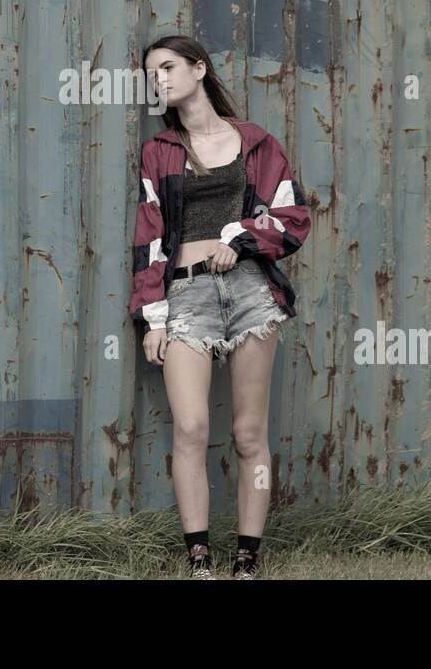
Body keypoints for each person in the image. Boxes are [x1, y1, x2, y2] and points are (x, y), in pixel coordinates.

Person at [129, 34, 311, 579]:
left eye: (166, 67)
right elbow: (149, 237)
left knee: (249, 433)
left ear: (199, 69)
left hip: (253, 293)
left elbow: (293, 217)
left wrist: (243, 239)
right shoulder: (160, 151)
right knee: (189, 427)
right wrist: (151, 315)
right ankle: (200, 558)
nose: (158, 80)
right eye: (150, 74)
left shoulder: (257, 143)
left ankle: (247, 560)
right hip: (186, 294)